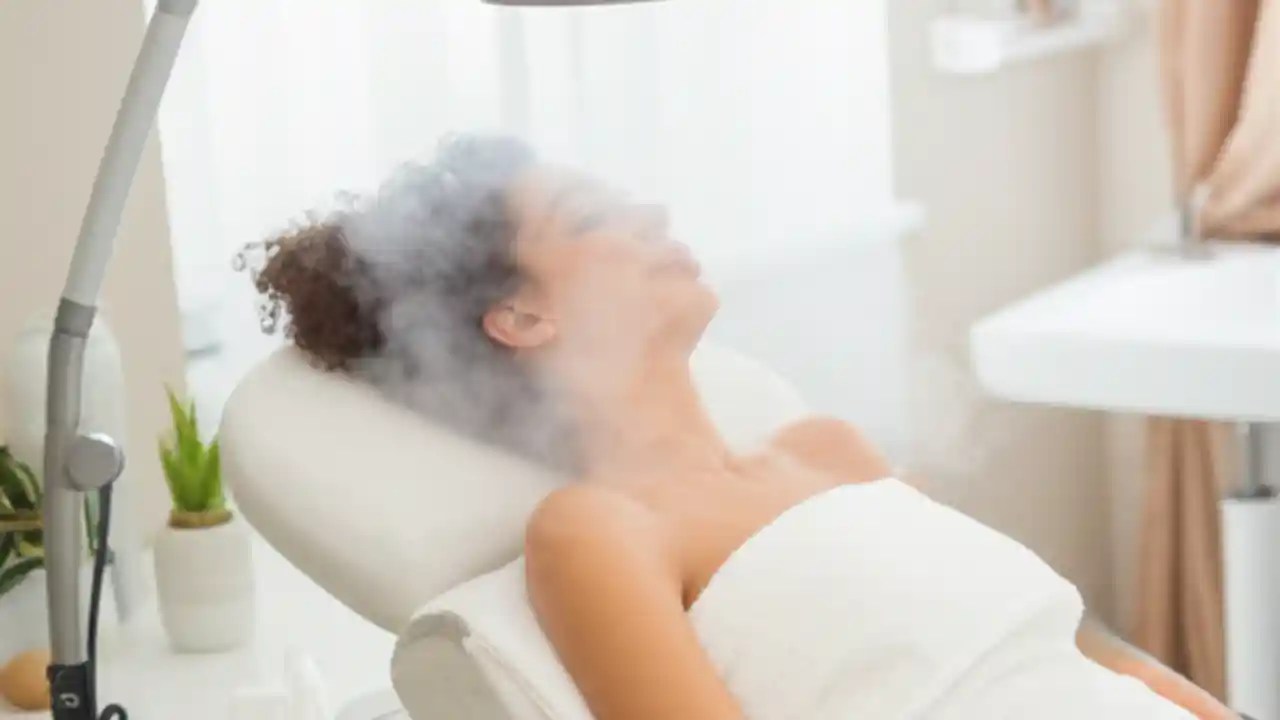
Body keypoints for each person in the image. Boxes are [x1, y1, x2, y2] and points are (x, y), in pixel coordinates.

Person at [244, 135, 1235, 719]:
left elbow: (1074, 646)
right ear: (521, 318)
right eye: (592, 214)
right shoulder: (599, 532)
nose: (652, 211)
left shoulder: (826, 452)